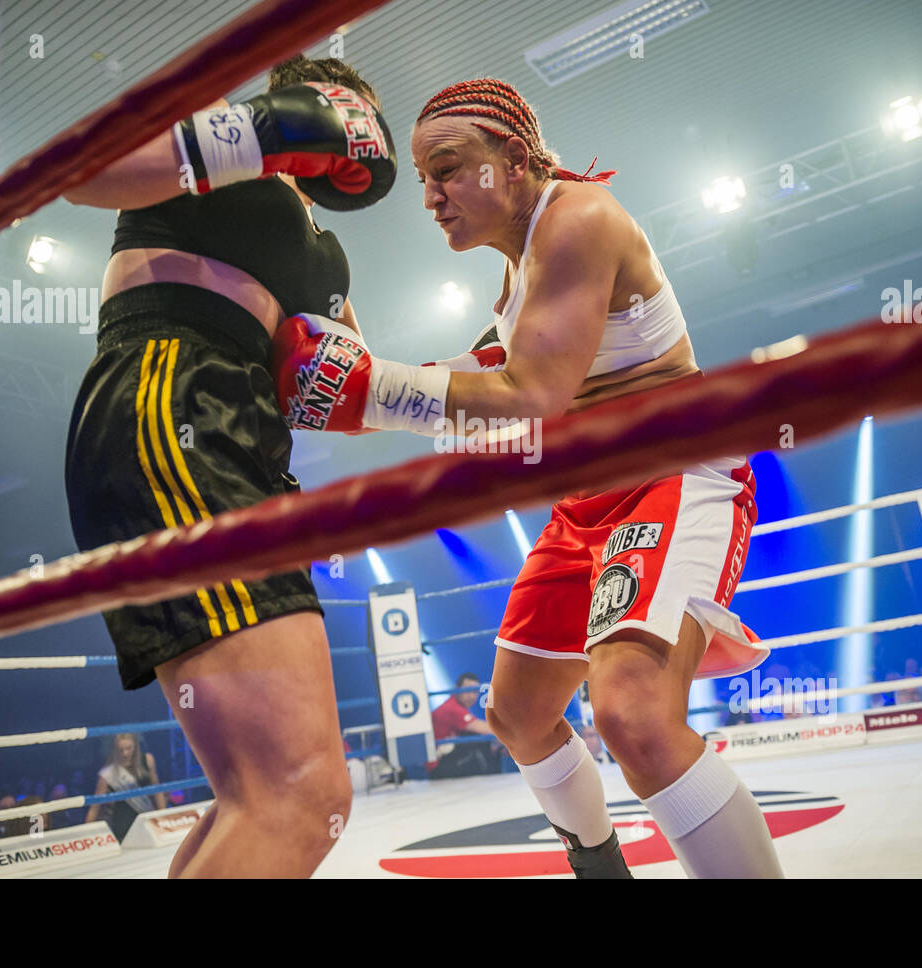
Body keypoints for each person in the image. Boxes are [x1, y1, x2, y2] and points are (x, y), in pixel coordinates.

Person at [273, 78, 781, 878]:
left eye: (449, 168)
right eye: (423, 178)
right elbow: (494, 387)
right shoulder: (518, 276)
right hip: (585, 501)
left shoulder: (579, 219)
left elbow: (532, 394)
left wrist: (369, 390)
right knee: (518, 712)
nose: (432, 195)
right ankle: (600, 868)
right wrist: (363, 383)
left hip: (672, 470)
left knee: (633, 715)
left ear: (512, 161)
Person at [62, 55, 398, 875]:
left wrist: (472, 380)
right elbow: (82, 171)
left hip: (244, 443)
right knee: (303, 791)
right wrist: (263, 128)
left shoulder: (329, 255)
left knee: (262, 790)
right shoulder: (221, 131)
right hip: (169, 397)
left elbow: (354, 393)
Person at [85, 733, 166, 841]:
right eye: (121, 750)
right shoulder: (108, 773)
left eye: (128, 748)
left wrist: (164, 815)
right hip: (124, 825)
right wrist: (85, 833)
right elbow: (95, 806)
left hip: (148, 818)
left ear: (135, 747)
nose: (125, 753)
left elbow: (157, 788)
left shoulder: (147, 760)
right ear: (115, 750)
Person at [427, 673, 502, 778]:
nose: (471, 696)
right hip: (439, 767)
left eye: (475, 691)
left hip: (446, 759)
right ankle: (494, 780)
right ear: (457, 689)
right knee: (482, 740)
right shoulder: (452, 708)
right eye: (467, 690)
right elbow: (485, 729)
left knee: (488, 740)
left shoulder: (455, 705)